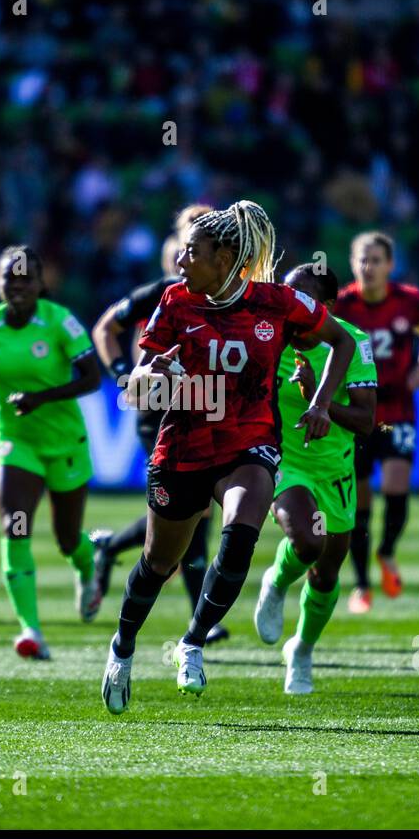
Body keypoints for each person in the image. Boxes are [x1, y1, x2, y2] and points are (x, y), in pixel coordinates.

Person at [99, 200, 355, 714]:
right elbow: (139, 385)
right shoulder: (174, 302)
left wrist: (322, 401)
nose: (180, 261)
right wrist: (151, 380)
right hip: (184, 446)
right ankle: (122, 649)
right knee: (157, 562)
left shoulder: (278, 302)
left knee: (240, 534)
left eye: (192, 252)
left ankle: (192, 643)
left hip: (249, 443)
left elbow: (341, 340)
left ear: (225, 258)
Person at [0, 245, 102, 660]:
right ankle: (31, 630)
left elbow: (92, 378)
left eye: (25, 278)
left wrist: (41, 398)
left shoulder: (60, 322)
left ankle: (89, 564)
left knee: (68, 539)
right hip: (16, 442)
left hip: (65, 442)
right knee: (15, 527)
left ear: (41, 283)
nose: (17, 286)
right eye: (8, 278)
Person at [89, 203, 226, 644]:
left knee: (189, 513)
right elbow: (106, 327)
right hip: (161, 412)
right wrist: (122, 376)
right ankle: (202, 622)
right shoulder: (162, 293)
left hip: (210, 408)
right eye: (188, 238)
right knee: (196, 508)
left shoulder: (232, 299)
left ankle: (111, 547)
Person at [252, 263, 377, 693]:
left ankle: (301, 650)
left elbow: (366, 420)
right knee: (307, 540)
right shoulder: (270, 337)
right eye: (287, 297)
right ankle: (277, 580)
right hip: (285, 461)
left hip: (335, 470)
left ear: (324, 306)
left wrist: (319, 404)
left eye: (302, 299)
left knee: (326, 572)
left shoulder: (354, 342)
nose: (292, 306)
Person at [333, 232, 419, 612]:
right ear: (353, 263)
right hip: (358, 414)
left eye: (377, 259)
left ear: (390, 265)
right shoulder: (342, 304)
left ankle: (387, 550)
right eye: (363, 259)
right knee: (359, 504)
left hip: (397, 410)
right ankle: (362, 585)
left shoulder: (409, 301)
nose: (369, 266)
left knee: (397, 487)